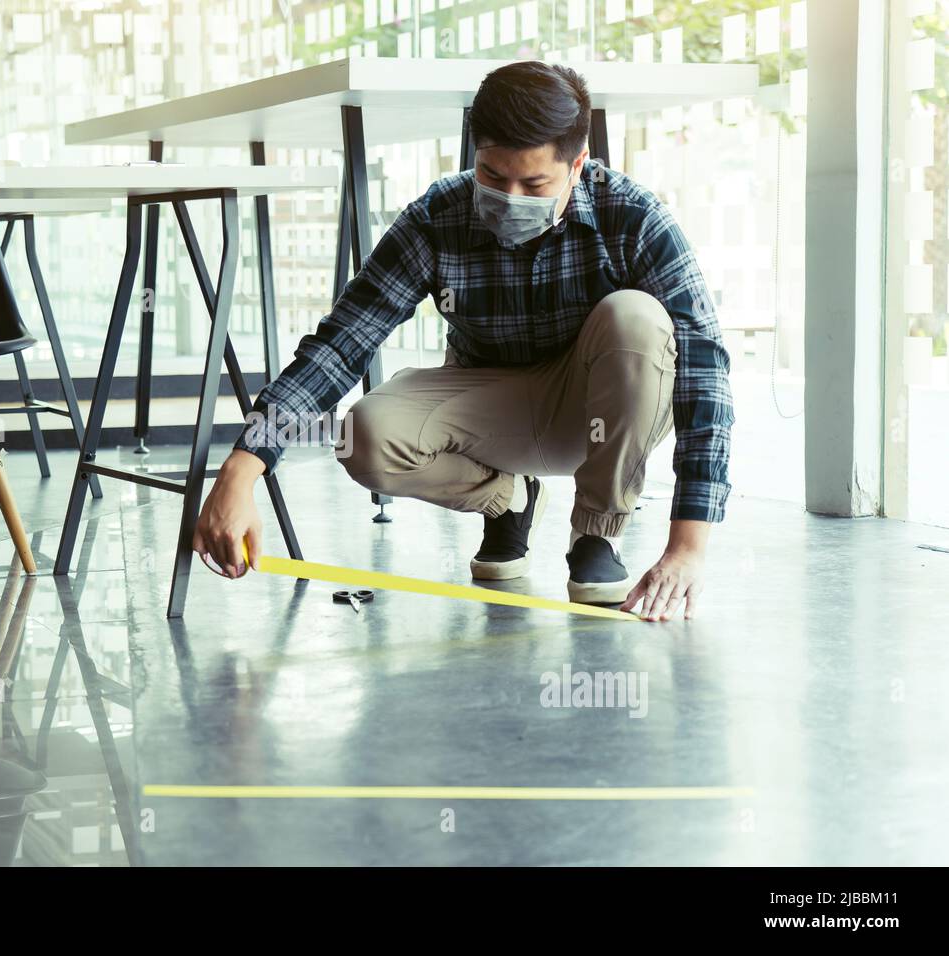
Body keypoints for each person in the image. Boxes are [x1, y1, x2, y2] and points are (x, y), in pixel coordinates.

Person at [193, 60, 734, 623]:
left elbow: (704, 366)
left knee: (638, 319)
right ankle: (508, 499)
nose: (510, 197)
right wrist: (242, 468)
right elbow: (343, 340)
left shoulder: (633, 215)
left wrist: (687, 548)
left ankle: (596, 534)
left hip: (595, 409)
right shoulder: (438, 216)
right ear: (475, 154)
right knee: (361, 436)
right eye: (493, 177)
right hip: (489, 414)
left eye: (534, 184)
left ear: (577, 165)